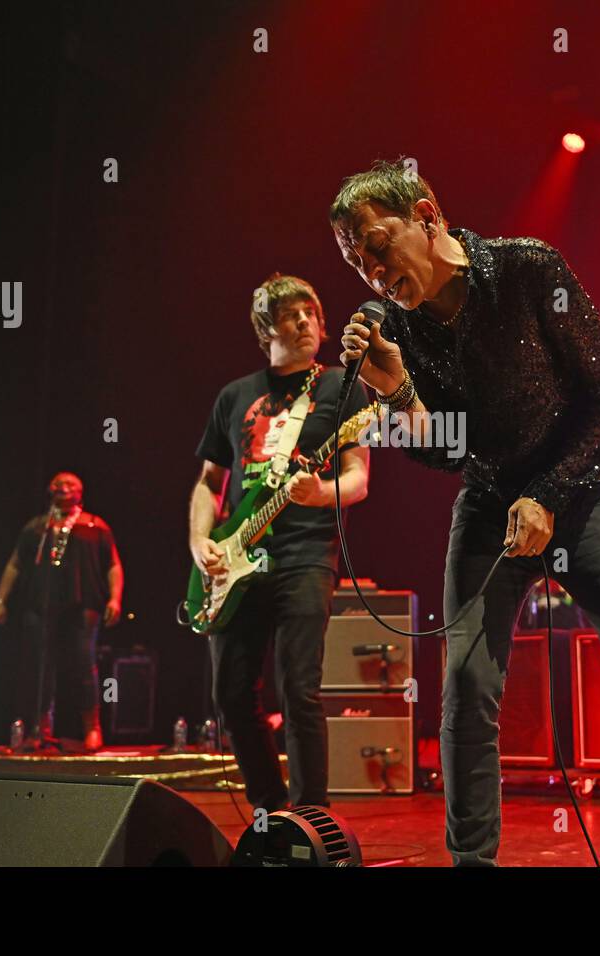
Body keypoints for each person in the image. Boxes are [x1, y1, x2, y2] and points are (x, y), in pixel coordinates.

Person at [330, 160, 600, 866]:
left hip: (582, 498)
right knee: (465, 690)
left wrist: (548, 495)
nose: (369, 269)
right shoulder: (398, 329)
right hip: (490, 504)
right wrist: (400, 397)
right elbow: (446, 451)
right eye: (352, 260)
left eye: (377, 244)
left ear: (427, 215)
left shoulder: (527, 269)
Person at [189, 273, 370, 812]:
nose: (308, 323)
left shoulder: (341, 387)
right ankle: (268, 809)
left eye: (312, 313)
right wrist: (200, 537)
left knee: (300, 691)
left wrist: (318, 492)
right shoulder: (235, 396)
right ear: (266, 326)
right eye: (293, 315)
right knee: (231, 695)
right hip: (235, 558)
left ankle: (311, 818)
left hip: (305, 555)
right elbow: (207, 482)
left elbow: (358, 479)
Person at [0, 472, 123, 752]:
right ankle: (41, 728)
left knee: (83, 664)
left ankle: (92, 728)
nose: (63, 487)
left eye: (70, 484)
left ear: (80, 491)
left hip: (83, 603)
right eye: (58, 484)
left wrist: (115, 599)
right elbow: (15, 564)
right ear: (49, 490)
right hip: (40, 604)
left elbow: (113, 565)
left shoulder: (95, 526)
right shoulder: (37, 527)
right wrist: (1, 601)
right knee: (39, 667)